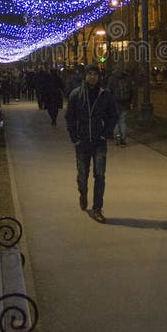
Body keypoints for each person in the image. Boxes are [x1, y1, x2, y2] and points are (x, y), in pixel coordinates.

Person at [65, 64, 118, 223]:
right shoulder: (76, 94)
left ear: (99, 76)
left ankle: (97, 209)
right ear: (85, 76)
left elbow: (113, 115)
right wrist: (74, 137)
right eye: (90, 74)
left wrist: (106, 133)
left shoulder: (105, 95)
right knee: (82, 175)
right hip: (82, 142)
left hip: (99, 142)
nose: (93, 77)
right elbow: (70, 117)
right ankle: (83, 192)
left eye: (95, 74)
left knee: (100, 175)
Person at [107, 64, 134, 145]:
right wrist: (131, 102)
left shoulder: (111, 79)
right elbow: (132, 91)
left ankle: (117, 137)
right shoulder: (127, 78)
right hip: (125, 103)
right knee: (123, 121)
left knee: (115, 121)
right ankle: (123, 140)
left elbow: (108, 92)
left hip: (115, 103)